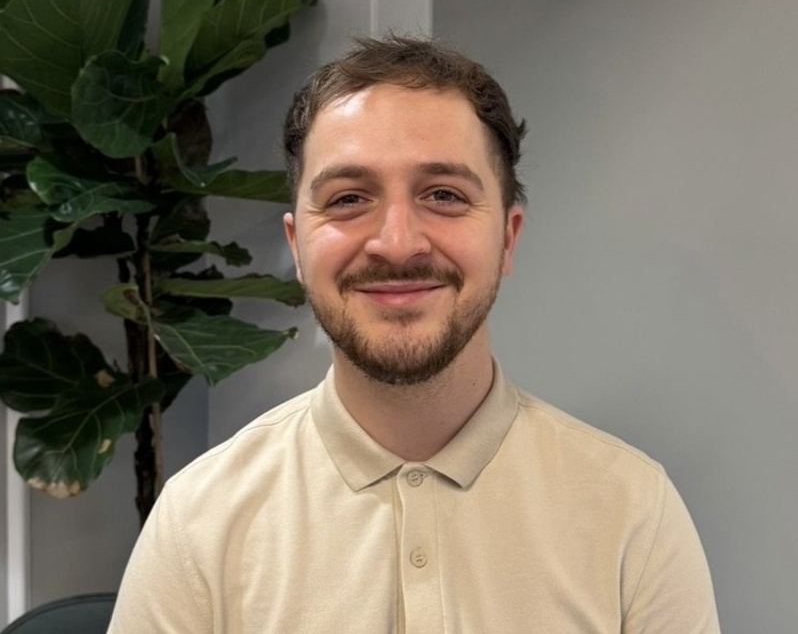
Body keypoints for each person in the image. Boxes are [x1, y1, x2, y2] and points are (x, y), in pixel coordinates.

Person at [108, 35, 720, 633]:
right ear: (297, 248)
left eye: (444, 195)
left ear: (507, 238)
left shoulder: (633, 515)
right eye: (348, 198)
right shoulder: (198, 525)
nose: (397, 243)